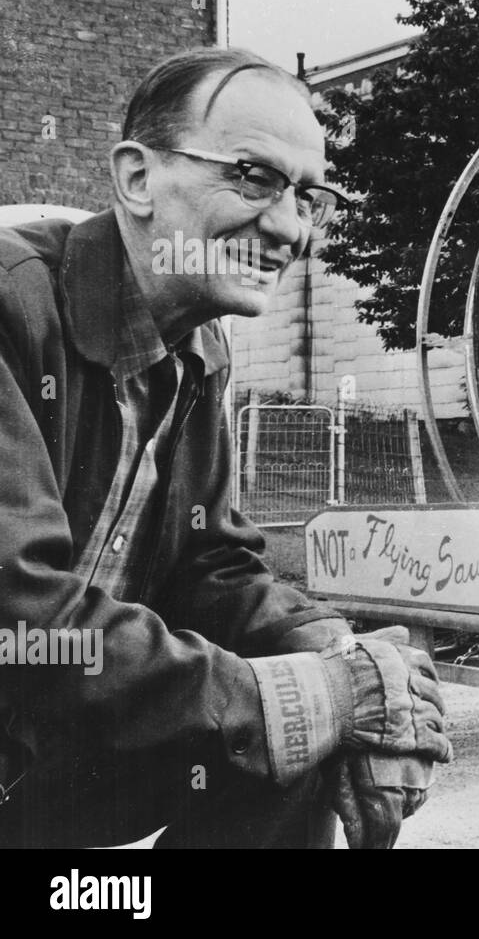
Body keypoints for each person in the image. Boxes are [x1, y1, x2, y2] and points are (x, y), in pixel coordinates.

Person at [0, 48, 451, 849]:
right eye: (251, 176)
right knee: (291, 715)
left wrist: (347, 664)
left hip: (39, 758)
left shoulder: (199, 350)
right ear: (137, 179)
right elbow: (19, 607)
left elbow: (214, 568)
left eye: (310, 196)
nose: (288, 228)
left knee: (305, 739)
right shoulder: (10, 306)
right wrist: (293, 697)